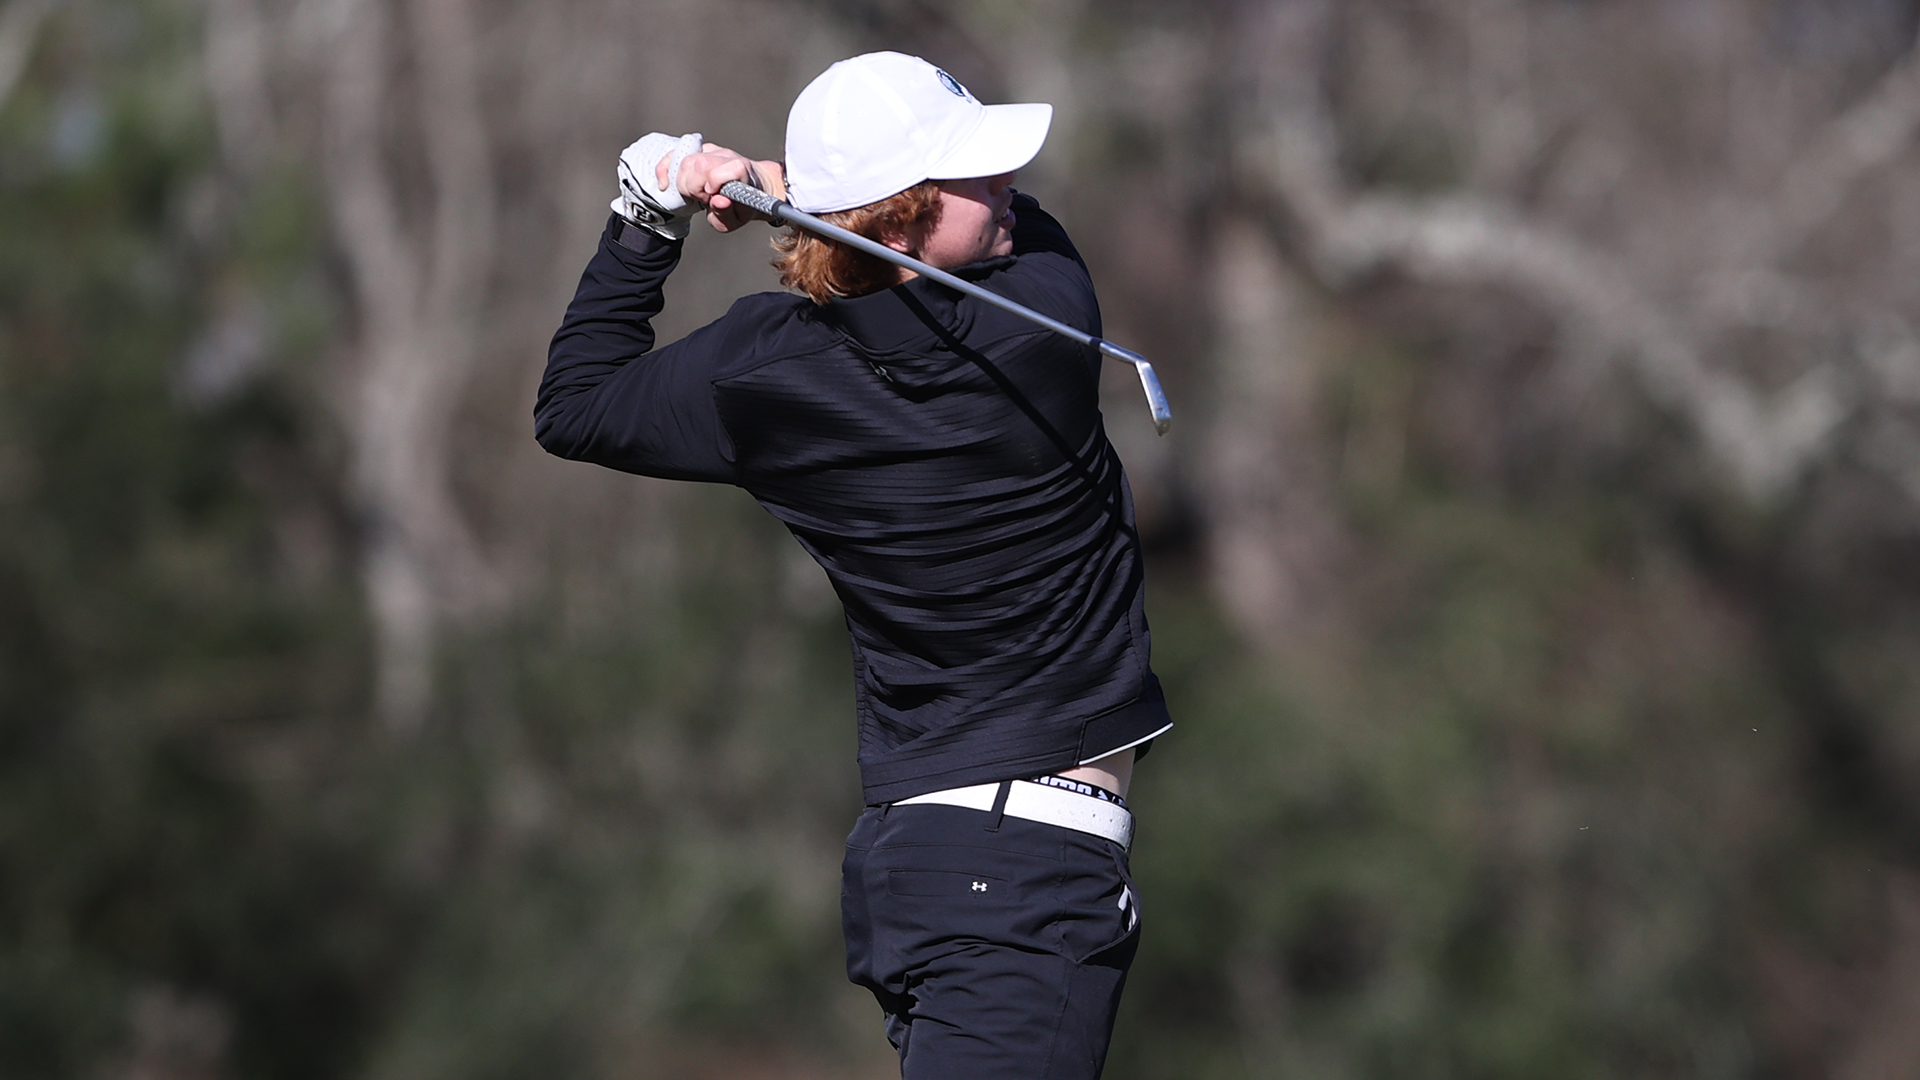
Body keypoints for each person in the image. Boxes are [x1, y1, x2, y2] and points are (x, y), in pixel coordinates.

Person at [535, 51, 1172, 1080]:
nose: (1007, 187)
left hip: (926, 859)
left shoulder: (761, 368)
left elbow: (575, 404)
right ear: (906, 213)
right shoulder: (1038, 330)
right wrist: (798, 193)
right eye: (973, 178)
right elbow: (1039, 236)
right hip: (1022, 878)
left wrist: (650, 214)